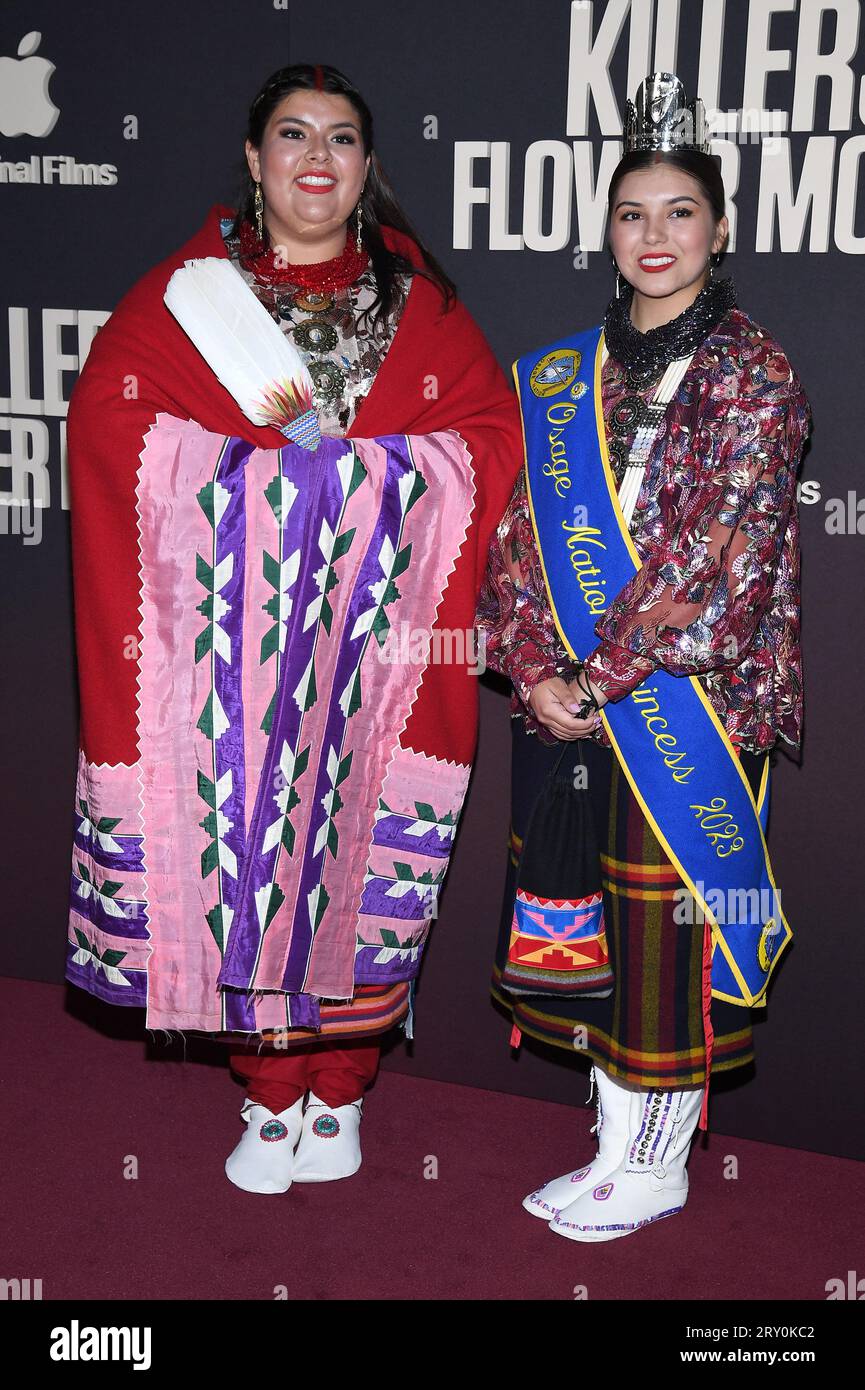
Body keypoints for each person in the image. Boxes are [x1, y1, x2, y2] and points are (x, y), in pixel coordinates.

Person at [65, 63, 522, 1194]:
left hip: (377, 649)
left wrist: (358, 483)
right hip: (230, 657)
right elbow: (114, 430)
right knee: (247, 847)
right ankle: (270, 1093)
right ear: (257, 159)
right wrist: (267, 485)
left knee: (357, 848)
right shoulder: (186, 298)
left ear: (367, 168)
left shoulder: (421, 306)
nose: (316, 156)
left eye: (342, 138)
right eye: (292, 134)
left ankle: (344, 1082)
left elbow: (484, 444)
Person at [475, 72, 811, 1241]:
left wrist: (593, 677)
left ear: (719, 232)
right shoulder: (566, 373)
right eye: (631, 213)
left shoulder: (755, 376)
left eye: (679, 212)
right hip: (571, 702)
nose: (653, 235)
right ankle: (617, 1145)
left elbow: (718, 566)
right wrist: (531, 664)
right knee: (604, 929)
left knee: (669, 933)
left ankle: (658, 1161)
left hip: (690, 705)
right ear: (605, 231)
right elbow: (519, 537)